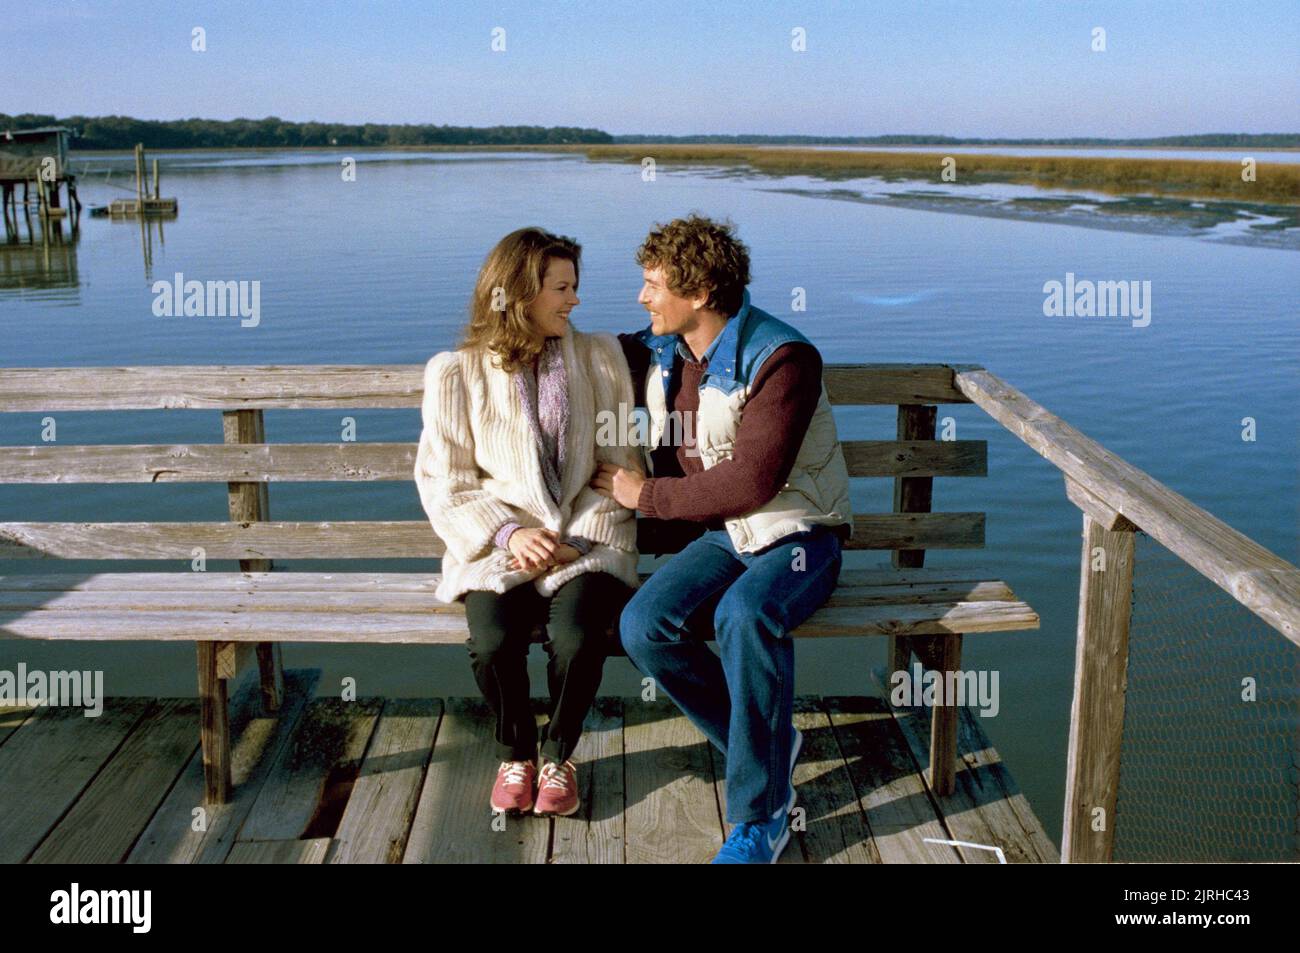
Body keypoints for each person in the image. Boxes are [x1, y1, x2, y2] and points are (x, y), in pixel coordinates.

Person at [592, 214, 852, 863]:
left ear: (701, 290)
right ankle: (767, 745)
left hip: (801, 536)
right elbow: (585, 354)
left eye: (653, 284)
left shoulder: (784, 358)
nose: (642, 296)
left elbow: (752, 482)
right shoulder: (669, 349)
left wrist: (642, 496)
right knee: (643, 625)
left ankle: (759, 818)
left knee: (746, 611)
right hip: (731, 538)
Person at [414, 227, 640, 817]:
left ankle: (558, 754)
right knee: (491, 644)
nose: (574, 300)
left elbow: (622, 464)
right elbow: (444, 481)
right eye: (562, 288)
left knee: (578, 637)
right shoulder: (455, 373)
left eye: (574, 286)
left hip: (585, 545)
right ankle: (515, 752)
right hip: (498, 549)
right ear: (518, 292)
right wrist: (509, 534)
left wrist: (575, 541)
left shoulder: (601, 358)